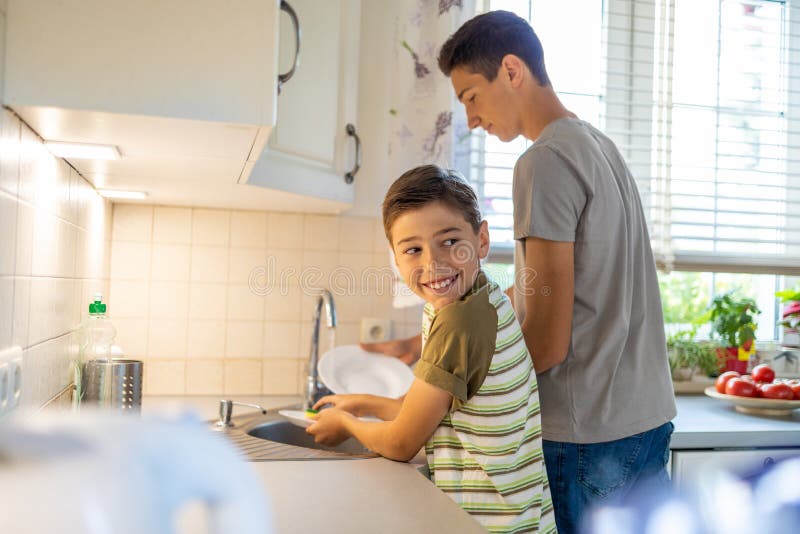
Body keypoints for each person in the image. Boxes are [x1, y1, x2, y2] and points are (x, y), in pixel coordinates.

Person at [365, 10, 677, 534]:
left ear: (511, 71)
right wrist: (438, 344)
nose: (470, 119)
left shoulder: (543, 162)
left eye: (470, 96)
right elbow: (547, 287)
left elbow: (548, 343)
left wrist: (442, 383)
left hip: (583, 434)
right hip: (643, 424)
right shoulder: (600, 148)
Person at [307, 165, 557, 533]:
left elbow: (402, 442)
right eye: (413, 249)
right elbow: (436, 411)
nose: (433, 263)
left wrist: (346, 424)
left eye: (450, 241)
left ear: (481, 239)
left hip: (485, 522)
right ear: (396, 258)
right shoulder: (482, 297)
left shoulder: (459, 323)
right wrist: (363, 403)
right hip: (517, 517)